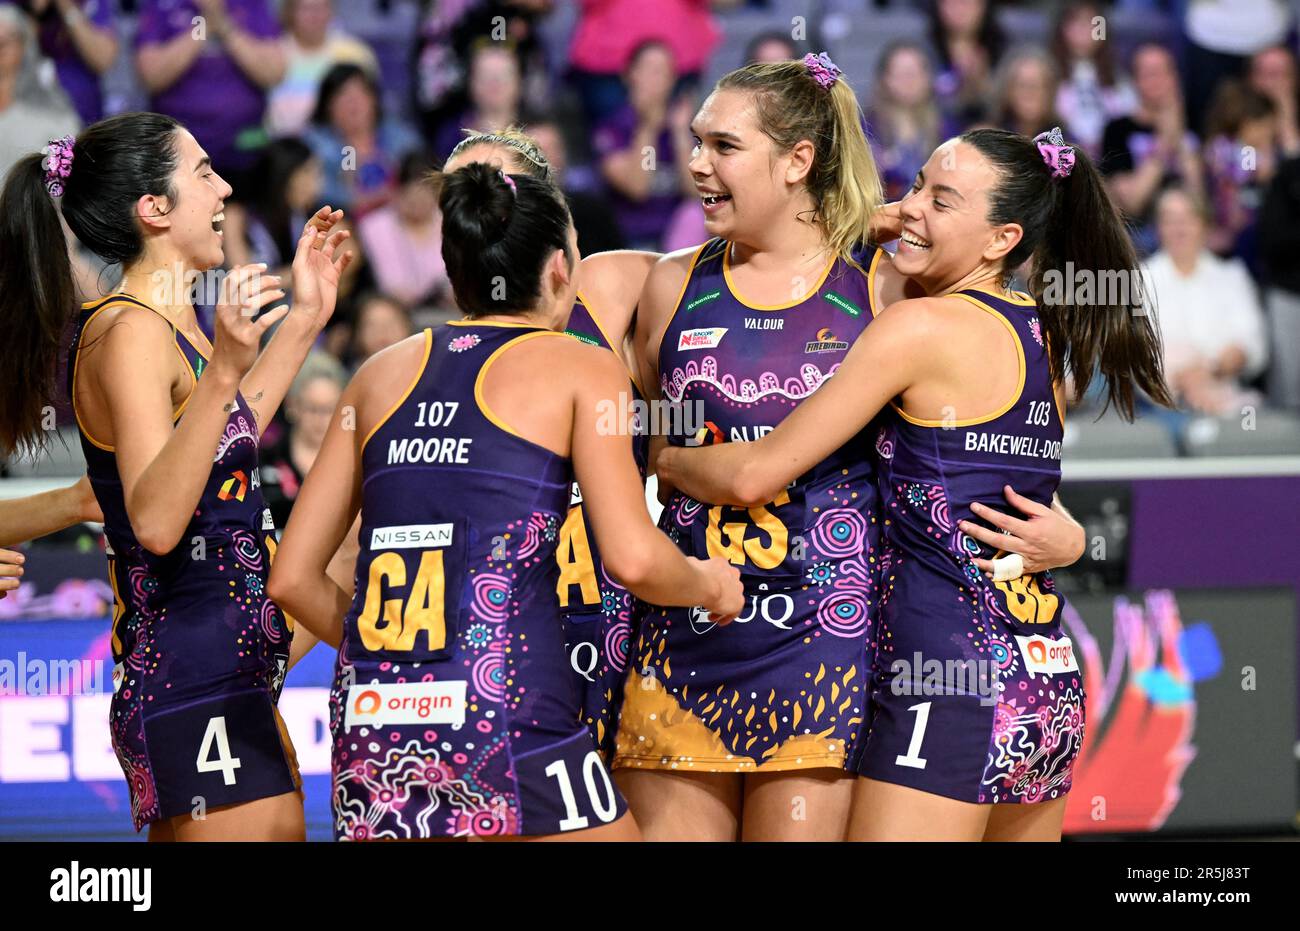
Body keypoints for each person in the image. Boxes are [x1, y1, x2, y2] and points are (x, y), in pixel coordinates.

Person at [656, 127, 1172, 841]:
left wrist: (670, 461)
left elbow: (753, 471)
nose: (911, 206)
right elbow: (1010, 493)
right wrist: (1075, 537)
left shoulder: (919, 327)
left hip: (945, 677)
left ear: (1001, 239)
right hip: (1043, 675)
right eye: (917, 184)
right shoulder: (1046, 335)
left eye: (942, 198)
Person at [266, 162, 743, 840]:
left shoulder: (377, 374)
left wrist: (402, 663)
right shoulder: (579, 366)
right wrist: (710, 584)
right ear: (558, 265)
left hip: (376, 709)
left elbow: (290, 576)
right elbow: (635, 558)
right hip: (506, 701)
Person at [0, 112, 351, 839]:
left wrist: (306, 319)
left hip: (236, 654)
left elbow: (221, 435)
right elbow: (157, 521)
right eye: (202, 172)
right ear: (153, 209)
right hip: (190, 673)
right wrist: (224, 365)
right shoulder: (126, 329)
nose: (224, 185)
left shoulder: (176, 319)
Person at [615, 54, 887, 842]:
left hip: (820, 639)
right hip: (684, 634)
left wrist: (1061, 528)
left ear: (799, 160)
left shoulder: (877, 282)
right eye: (696, 142)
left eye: (724, 146)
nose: (696, 163)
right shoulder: (669, 281)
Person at [1144, 186, 1268, 416]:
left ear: (1205, 225)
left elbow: (1253, 345)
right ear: (1158, 228)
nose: (1179, 229)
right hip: (1157, 407)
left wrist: (1214, 369)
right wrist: (1185, 378)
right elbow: (1134, 355)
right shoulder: (1140, 280)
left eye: (1188, 219)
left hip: (1228, 401)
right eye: (1169, 220)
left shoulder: (1232, 276)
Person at [134, 0, 285, 184]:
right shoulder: (160, 5)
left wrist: (226, 27)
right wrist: (203, 27)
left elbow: (273, 73)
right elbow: (151, 77)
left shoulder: (253, 4)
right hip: (177, 151)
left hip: (245, 148)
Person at [1099, 43, 1203, 254]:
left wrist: (1180, 139)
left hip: (1192, 232)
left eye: (1162, 72)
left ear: (1175, 77)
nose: (1156, 81)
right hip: (1141, 237)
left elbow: (1201, 199)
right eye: (1148, 73)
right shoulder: (1117, 129)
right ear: (1135, 81)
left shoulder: (1196, 124)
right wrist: (1166, 139)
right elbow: (1132, 202)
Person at [593, 40, 697, 250]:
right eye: (649, 69)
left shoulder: (684, 125)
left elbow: (696, 192)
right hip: (630, 239)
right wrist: (648, 128)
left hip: (679, 237)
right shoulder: (614, 127)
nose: (656, 79)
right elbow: (638, 187)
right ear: (629, 74)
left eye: (663, 71)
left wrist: (680, 135)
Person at [304, 62, 421, 216]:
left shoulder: (399, 137)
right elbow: (316, 193)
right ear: (328, 106)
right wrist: (368, 198)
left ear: (374, 100)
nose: (353, 103)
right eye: (343, 95)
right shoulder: (317, 146)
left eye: (360, 93)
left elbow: (423, 178)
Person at [259, 350, 347, 528]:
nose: (321, 419)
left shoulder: (352, 463)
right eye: (313, 408)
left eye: (330, 409)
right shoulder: (263, 460)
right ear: (292, 405)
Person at [265, 0, 378, 138]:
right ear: (289, 12)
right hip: (283, 148)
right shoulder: (271, 53)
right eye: (306, 9)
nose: (315, 16)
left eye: (322, 7)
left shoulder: (356, 54)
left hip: (339, 147)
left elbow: (370, 109)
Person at [357, 150, 450, 309]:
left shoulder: (451, 222)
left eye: (426, 196)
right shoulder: (375, 226)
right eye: (412, 197)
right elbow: (390, 285)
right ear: (398, 191)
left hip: (446, 313)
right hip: (395, 312)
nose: (419, 205)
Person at [1, 0, 117, 126]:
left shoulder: (87, 3)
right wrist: (33, 11)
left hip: (82, 122)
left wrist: (66, 6)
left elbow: (102, 60)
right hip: (21, 120)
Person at [0, 5, 79, 181]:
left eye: (6, 41)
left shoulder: (55, 112)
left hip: (30, 206)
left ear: (24, 46)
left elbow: (63, 179)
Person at [1050, 1, 1137, 159]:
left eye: (1093, 22)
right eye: (1076, 21)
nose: (1085, 29)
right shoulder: (1049, 73)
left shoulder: (1117, 76)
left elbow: (1128, 115)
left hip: (1111, 157)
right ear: (1062, 29)